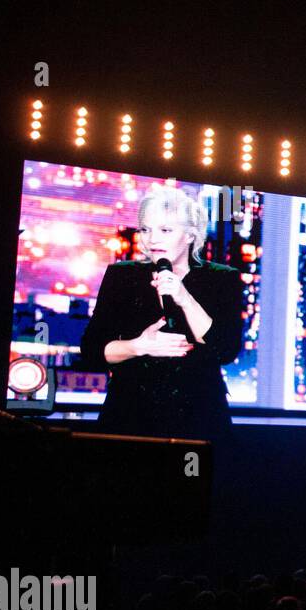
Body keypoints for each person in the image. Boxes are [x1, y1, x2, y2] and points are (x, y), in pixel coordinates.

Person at [80, 187, 244, 441]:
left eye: (165, 230)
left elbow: (225, 349)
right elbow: (92, 351)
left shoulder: (222, 279)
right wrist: (140, 346)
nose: (152, 239)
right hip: (129, 418)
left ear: (190, 235)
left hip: (198, 419)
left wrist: (185, 299)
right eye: (145, 230)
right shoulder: (122, 276)